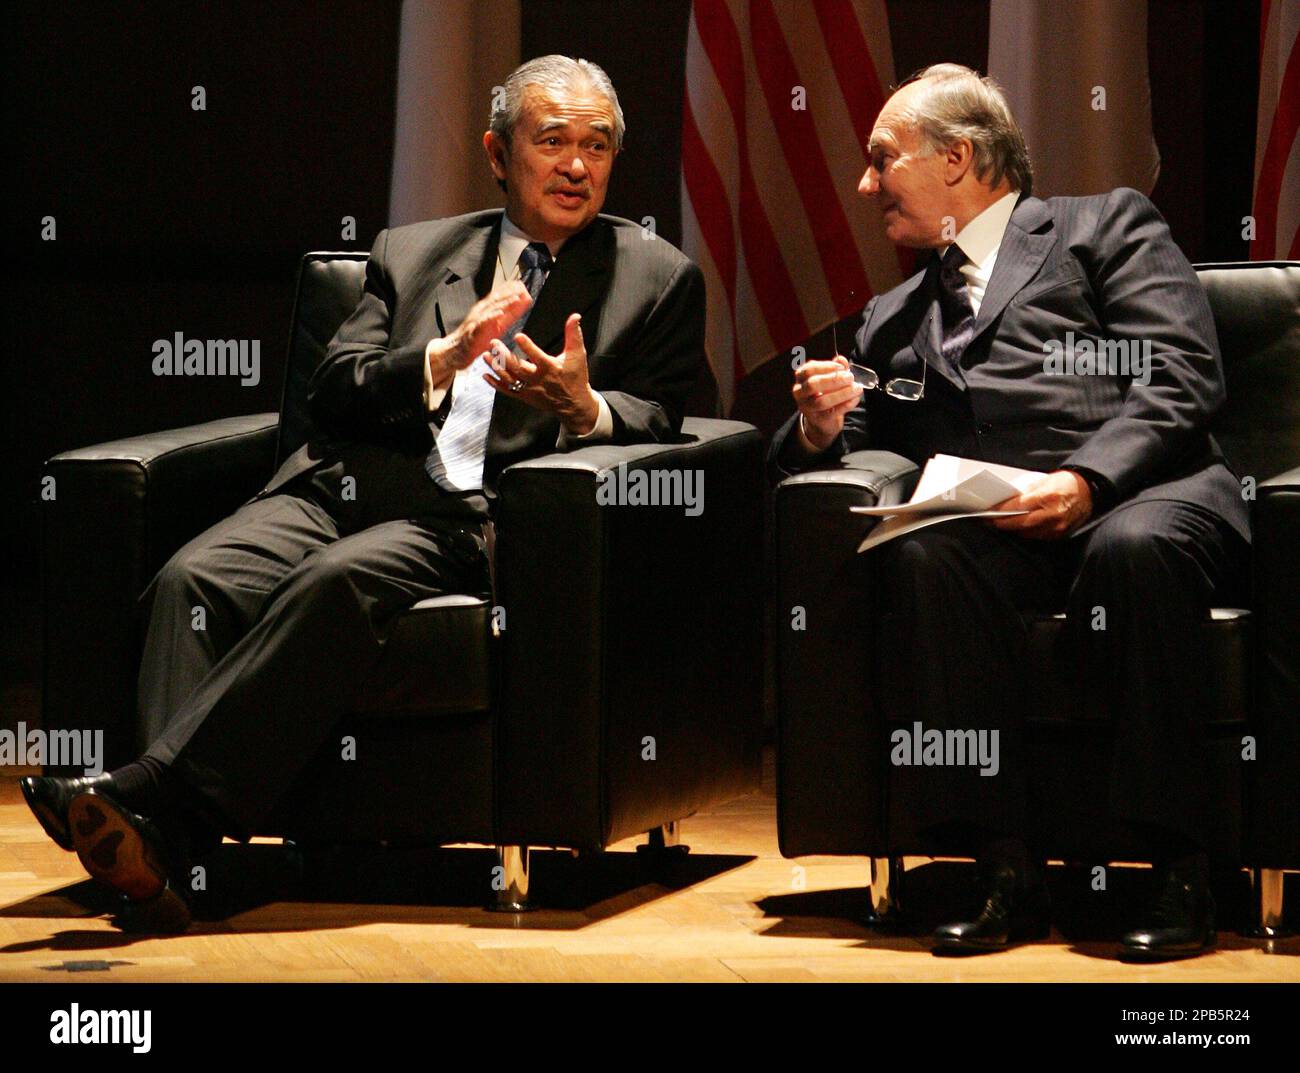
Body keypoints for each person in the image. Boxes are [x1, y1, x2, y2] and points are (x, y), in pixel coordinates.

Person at [23, 55, 705, 932]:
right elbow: (333, 388)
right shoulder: (412, 251)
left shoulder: (655, 276)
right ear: (499, 155)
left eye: (597, 146)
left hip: (474, 512)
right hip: (335, 488)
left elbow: (665, 423)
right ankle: (169, 862)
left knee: (338, 580)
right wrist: (444, 355)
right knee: (194, 577)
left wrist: (586, 407)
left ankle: (151, 803)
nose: (577, 165)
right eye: (553, 142)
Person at [771, 64, 1248, 960]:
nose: (865, 184)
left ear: (956, 159)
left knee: (1134, 551)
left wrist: (1085, 482)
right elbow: (841, 438)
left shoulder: (1102, 225)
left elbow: (1181, 373)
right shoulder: (892, 317)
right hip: (1007, 527)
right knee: (926, 555)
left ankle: (1179, 868)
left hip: (1145, 497)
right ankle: (1003, 866)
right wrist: (815, 423)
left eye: (883, 159)